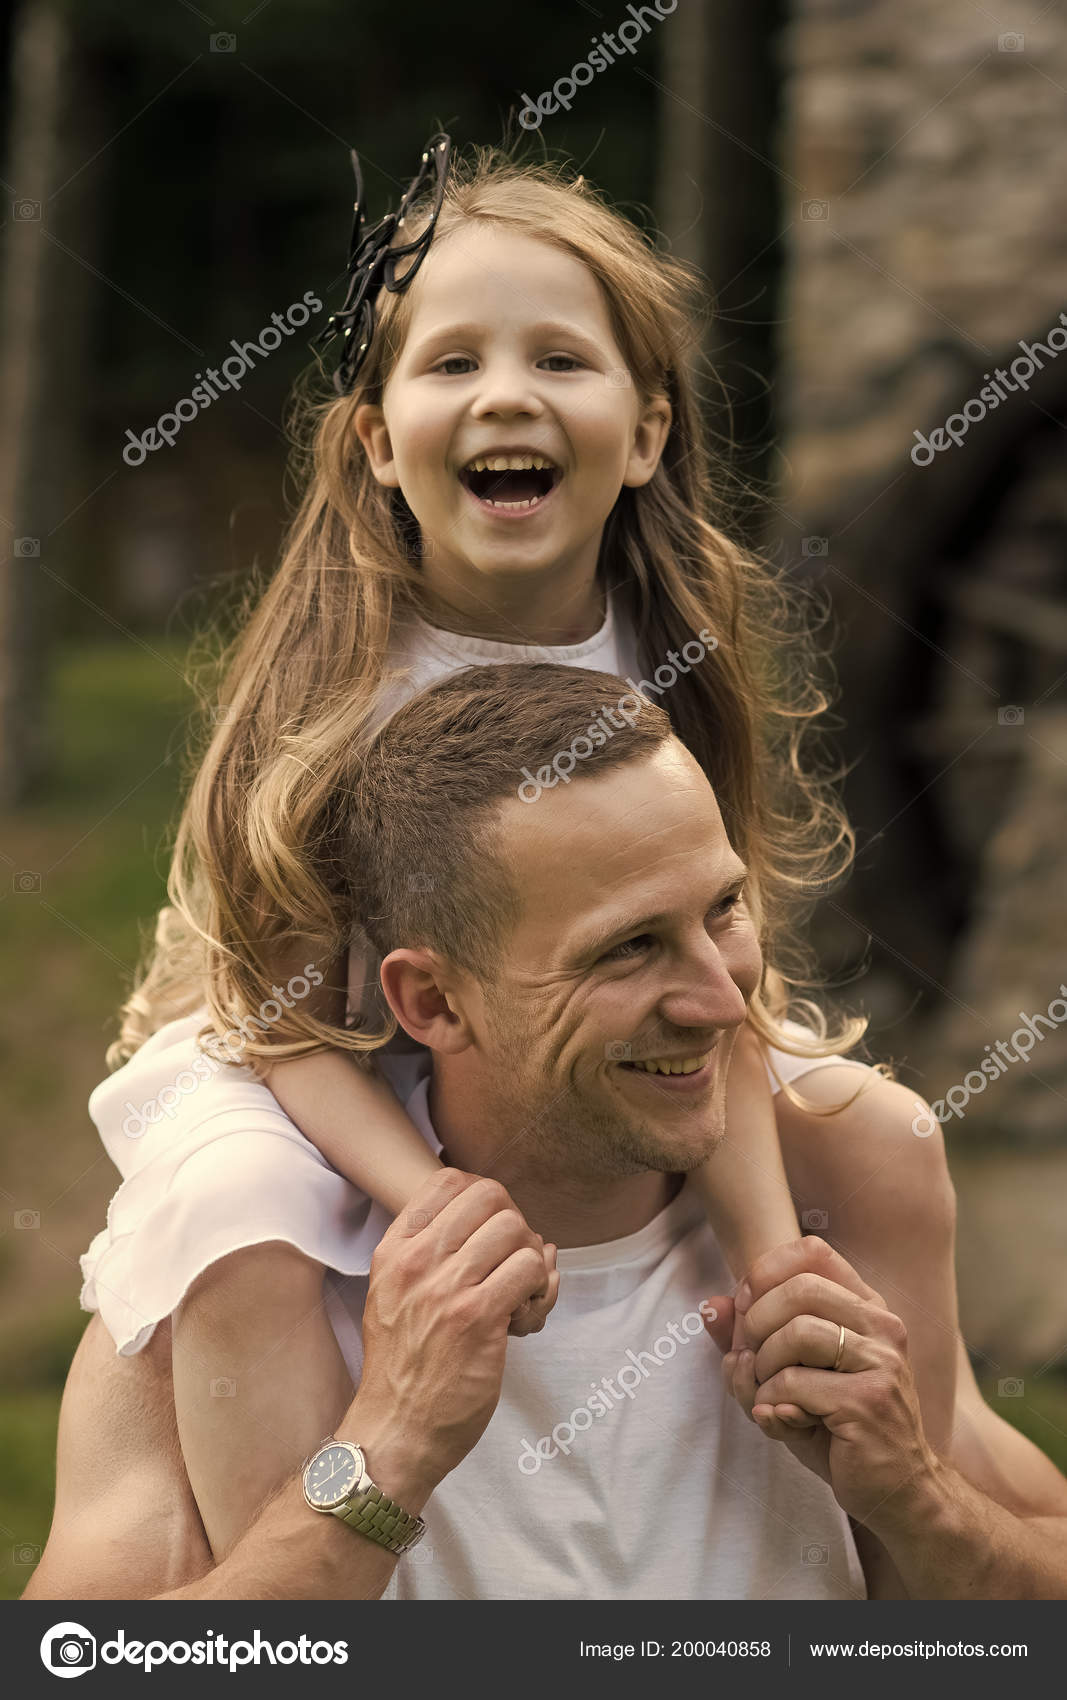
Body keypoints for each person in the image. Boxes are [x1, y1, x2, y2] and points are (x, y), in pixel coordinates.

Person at [85, 127, 866, 1400]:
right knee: (239, 1193)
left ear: (648, 429)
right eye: (453, 362)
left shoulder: (673, 645)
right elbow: (276, 1016)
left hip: (588, 1027)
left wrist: (772, 1253)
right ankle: (279, 1551)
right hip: (324, 1057)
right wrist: (434, 1196)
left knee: (875, 1130)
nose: (506, 393)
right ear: (381, 441)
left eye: (558, 357)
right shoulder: (343, 676)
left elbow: (709, 957)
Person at [26, 665, 1067, 1601]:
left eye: (723, 910)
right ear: (431, 1000)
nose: (720, 998)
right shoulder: (249, 1252)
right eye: (627, 949)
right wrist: (389, 1444)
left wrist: (916, 1497)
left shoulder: (836, 1223)